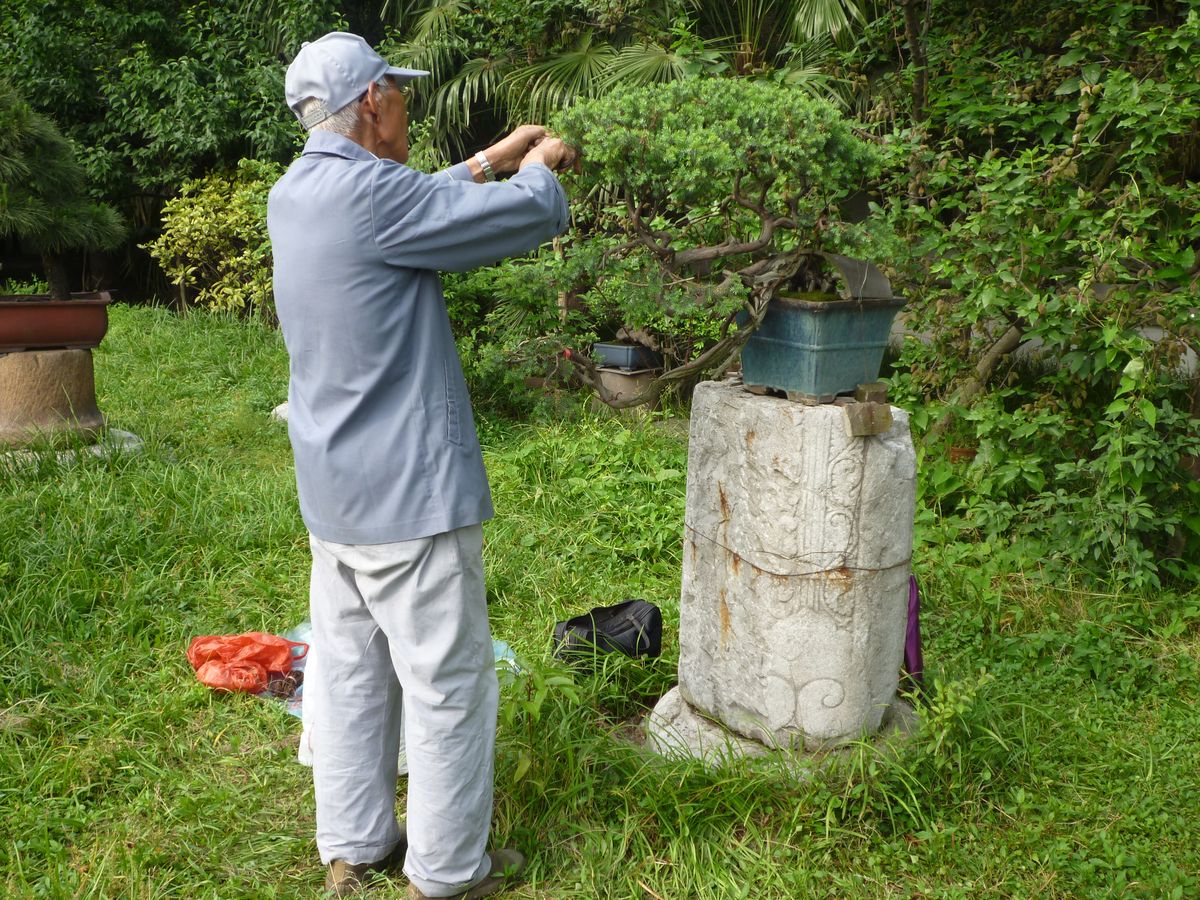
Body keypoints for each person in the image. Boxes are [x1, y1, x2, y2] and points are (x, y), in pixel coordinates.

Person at [267, 31, 576, 899]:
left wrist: (488, 158)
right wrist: (541, 169)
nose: (406, 105)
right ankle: (447, 872)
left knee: (350, 671)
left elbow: (407, 204)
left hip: (335, 492)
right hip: (409, 495)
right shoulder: (371, 198)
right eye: (396, 93)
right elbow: (513, 217)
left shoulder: (296, 194)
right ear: (373, 102)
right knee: (447, 684)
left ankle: (356, 843)